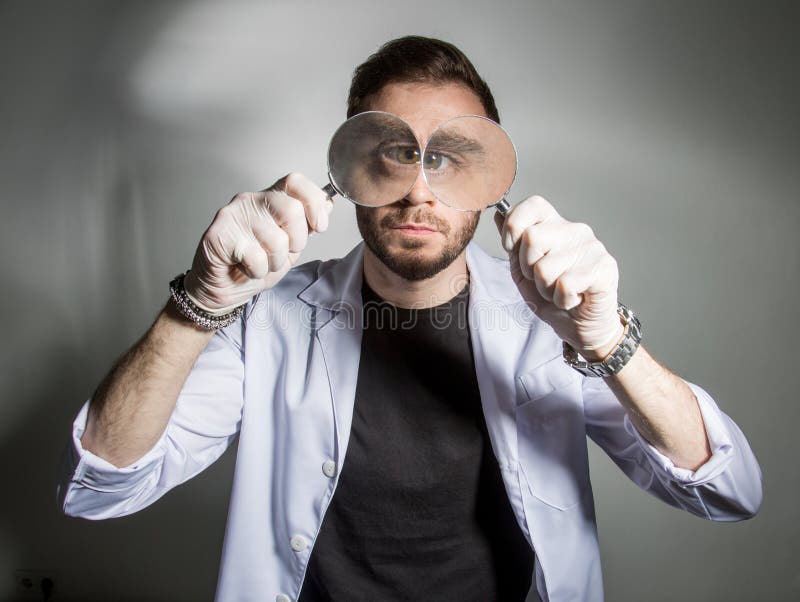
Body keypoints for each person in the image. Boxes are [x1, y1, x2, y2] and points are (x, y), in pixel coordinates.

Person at [58, 36, 763, 602]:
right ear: (354, 173)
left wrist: (606, 339)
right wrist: (202, 303)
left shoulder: (548, 323)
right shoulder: (268, 318)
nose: (419, 190)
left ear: (490, 181)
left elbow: (727, 491)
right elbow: (101, 486)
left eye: (449, 158)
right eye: (395, 153)